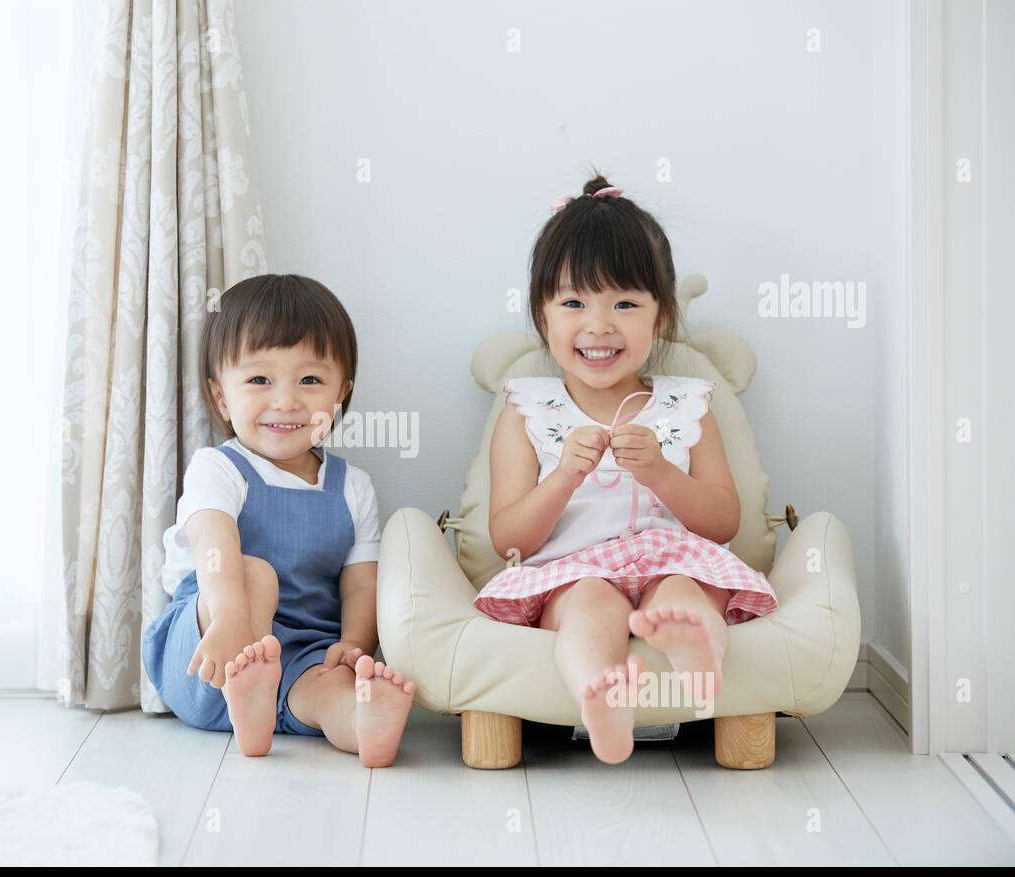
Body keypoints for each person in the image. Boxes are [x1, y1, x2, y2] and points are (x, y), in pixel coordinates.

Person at [477, 173, 779, 764]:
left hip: (674, 561)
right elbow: (507, 539)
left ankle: (698, 659)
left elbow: (723, 522)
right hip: (572, 570)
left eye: (624, 303)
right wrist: (562, 477)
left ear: (660, 316)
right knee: (591, 604)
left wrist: (665, 475)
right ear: (542, 316)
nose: (598, 325)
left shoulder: (687, 401)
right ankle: (603, 698)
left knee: (687, 596)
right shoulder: (526, 408)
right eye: (572, 303)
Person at [143, 273, 415, 767]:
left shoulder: (352, 487)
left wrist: (353, 645)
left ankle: (360, 722)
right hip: (208, 648)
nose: (287, 401)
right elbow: (214, 542)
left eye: (310, 380)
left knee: (330, 686)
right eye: (259, 380)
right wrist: (230, 618)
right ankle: (246, 682)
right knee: (253, 572)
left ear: (341, 395)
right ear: (222, 397)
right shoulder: (219, 468)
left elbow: (360, 584)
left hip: (302, 654)